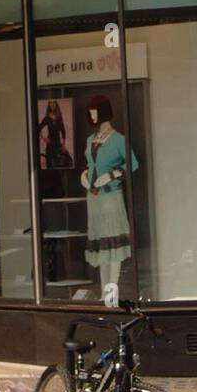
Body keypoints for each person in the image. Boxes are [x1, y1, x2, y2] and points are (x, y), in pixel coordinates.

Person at [80, 95, 138, 301]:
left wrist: (113, 174)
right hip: (94, 198)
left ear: (104, 111)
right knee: (102, 246)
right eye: (90, 110)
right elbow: (91, 164)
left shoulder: (119, 140)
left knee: (113, 246)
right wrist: (85, 175)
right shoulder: (90, 140)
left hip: (111, 196)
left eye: (96, 110)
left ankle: (112, 293)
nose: (92, 114)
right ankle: (105, 294)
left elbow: (133, 164)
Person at [38, 99, 69, 168]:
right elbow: (39, 127)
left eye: (53, 103)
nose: (52, 105)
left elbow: (63, 130)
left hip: (58, 143)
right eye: (50, 103)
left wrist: (63, 144)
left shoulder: (59, 117)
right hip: (50, 143)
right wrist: (44, 138)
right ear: (49, 105)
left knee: (60, 164)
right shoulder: (47, 118)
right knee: (50, 165)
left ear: (56, 104)